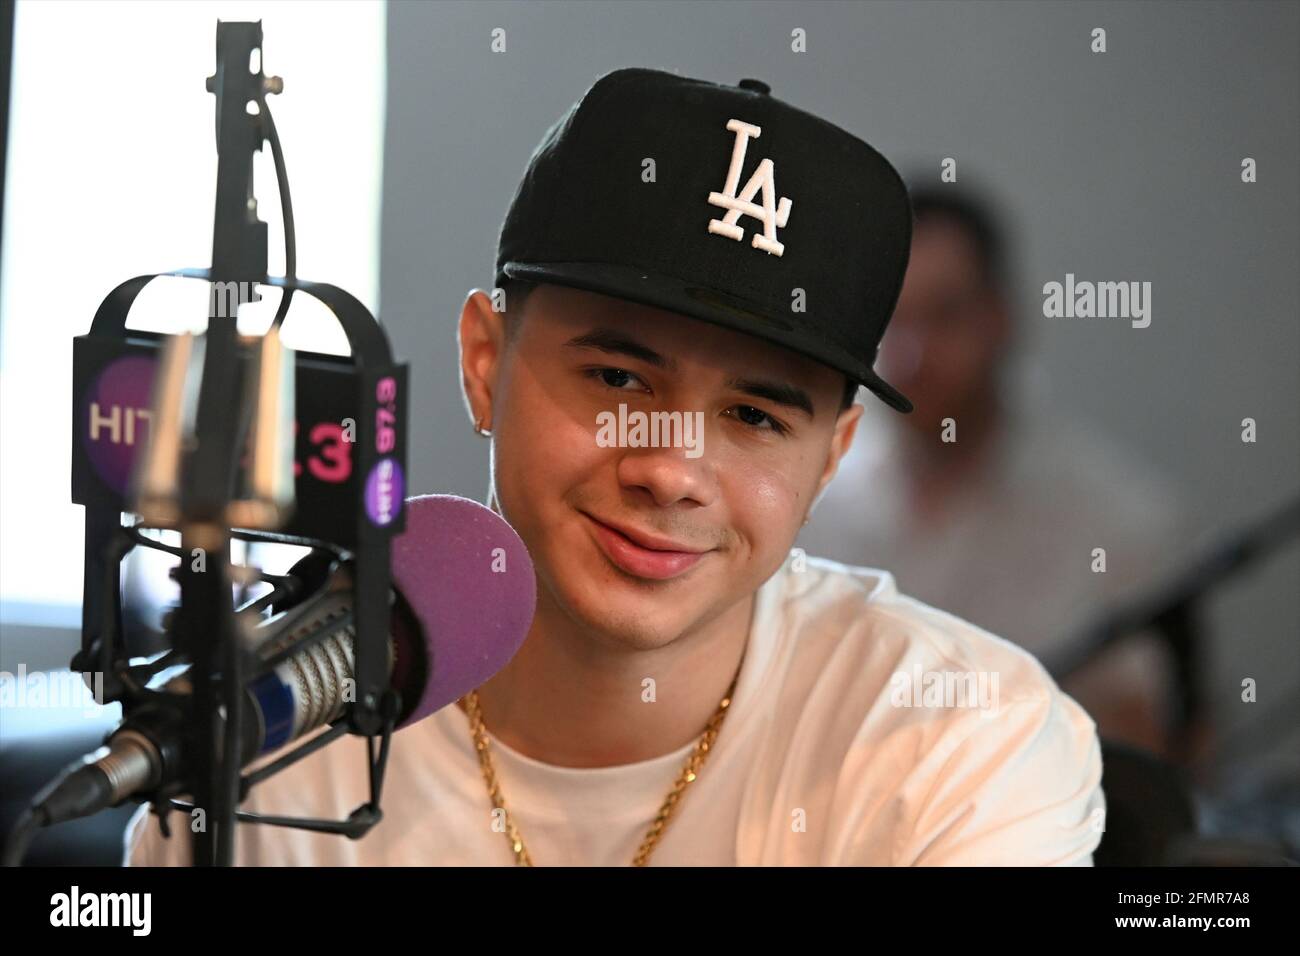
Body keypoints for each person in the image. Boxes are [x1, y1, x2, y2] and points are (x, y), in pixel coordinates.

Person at [128, 68, 1103, 866]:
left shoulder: (958, 743)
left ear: (828, 461)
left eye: (756, 414)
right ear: (484, 363)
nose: (671, 470)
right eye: (619, 377)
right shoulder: (266, 751)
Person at [798, 186, 1186, 756]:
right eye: (892, 320)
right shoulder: (807, 497)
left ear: (1000, 318)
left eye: (943, 316)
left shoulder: (1116, 520)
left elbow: (1138, 750)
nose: (912, 355)